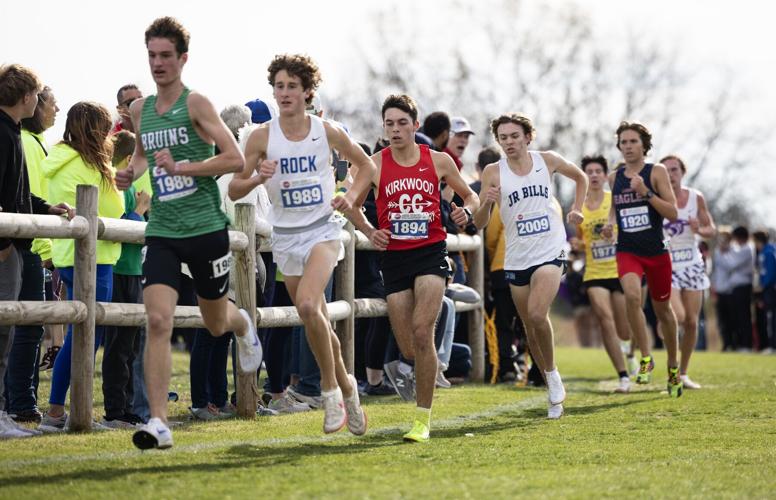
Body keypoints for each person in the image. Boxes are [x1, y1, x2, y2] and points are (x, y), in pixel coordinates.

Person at [115, 17, 262, 450]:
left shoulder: (197, 104)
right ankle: (158, 422)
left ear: (182, 59)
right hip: (162, 228)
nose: (158, 64)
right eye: (152, 56)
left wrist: (185, 168)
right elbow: (142, 156)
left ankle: (243, 324)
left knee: (216, 323)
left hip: (205, 228)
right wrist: (130, 173)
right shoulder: (140, 110)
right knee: (157, 320)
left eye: (165, 56)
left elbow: (234, 159)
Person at [229, 53, 376, 435]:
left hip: (323, 230)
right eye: (279, 86)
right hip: (287, 237)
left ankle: (330, 394)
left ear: (308, 91)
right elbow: (234, 186)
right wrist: (258, 177)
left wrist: (350, 194)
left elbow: (367, 167)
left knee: (310, 305)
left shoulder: (326, 131)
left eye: (292, 86)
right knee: (318, 319)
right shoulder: (261, 136)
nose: (284, 93)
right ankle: (349, 388)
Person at [346, 93, 479, 442]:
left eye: (402, 123)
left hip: (431, 253)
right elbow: (351, 204)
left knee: (423, 331)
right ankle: (418, 370)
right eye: (389, 123)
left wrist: (467, 210)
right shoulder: (374, 164)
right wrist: (370, 231)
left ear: (415, 125)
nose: (395, 129)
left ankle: (422, 420)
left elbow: (471, 196)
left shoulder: (438, 161)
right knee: (408, 348)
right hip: (394, 259)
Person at [474, 112, 587, 419]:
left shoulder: (546, 160)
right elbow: (478, 223)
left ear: (527, 136)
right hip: (517, 256)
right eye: (503, 138)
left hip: (550, 249)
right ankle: (551, 381)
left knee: (538, 314)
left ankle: (551, 377)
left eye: (514, 136)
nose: (509, 142)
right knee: (529, 327)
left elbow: (581, 177)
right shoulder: (492, 172)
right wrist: (486, 202)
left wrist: (577, 209)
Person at [37, 101, 126, 432]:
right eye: (105, 126)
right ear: (96, 129)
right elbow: (115, 208)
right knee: (85, 336)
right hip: (94, 257)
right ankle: (62, 411)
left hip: (72, 256)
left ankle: (66, 410)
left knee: (82, 333)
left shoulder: (61, 160)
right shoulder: (88, 165)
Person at [1, 63, 73, 439]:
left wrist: (47, 209)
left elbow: (18, 195)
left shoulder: (13, 133)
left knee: (15, 328)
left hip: (20, 243)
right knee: (10, 328)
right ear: (28, 97)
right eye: (44, 97)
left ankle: (10, 409)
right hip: (11, 247)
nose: (51, 106)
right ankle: (12, 407)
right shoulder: (7, 135)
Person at [602, 121, 682, 397]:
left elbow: (672, 213)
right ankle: (646, 359)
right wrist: (609, 225)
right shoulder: (615, 178)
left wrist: (645, 192)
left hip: (656, 252)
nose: (627, 147)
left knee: (664, 313)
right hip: (627, 250)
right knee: (633, 297)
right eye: (623, 142)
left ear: (644, 145)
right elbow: (614, 211)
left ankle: (674, 365)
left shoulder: (655, 171)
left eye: (633, 141)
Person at [6, 85, 60, 424]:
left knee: (27, 330)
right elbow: (19, 200)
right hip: (26, 248)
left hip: (31, 246)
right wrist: (44, 249)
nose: (56, 109)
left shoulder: (31, 141)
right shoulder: (23, 141)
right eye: (53, 103)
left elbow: (30, 197)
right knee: (23, 330)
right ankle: (20, 404)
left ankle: (21, 402)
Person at [101, 131, 150, 428]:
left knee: (129, 345)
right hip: (120, 270)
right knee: (118, 345)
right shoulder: (117, 186)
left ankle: (127, 406)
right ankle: (115, 409)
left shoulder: (129, 186)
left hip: (133, 271)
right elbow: (123, 227)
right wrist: (140, 211)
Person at [577, 155, 632, 393]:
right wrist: (578, 244)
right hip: (594, 272)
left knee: (623, 326)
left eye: (599, 171)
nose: (594, 175)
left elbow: (629, 231)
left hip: (619, 270)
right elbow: (579, 238)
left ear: (605, 174)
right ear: (584, 176)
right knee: (604, 320)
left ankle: (629, 352)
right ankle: (623, 376)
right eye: (589, 171)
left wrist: (615, 237)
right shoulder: (578, 205)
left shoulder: (614, 200)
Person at [661, 155, 716, 389]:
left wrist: (699, 228)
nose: (671, 174)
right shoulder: (657, 199)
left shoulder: (696, 197)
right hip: (668, 262)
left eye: (674, 169)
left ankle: (682, 374)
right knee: (679, 317)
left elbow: (711, 229)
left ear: (682, 172)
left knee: (693, 322)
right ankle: (665, 331)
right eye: (665, 170)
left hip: (692, 262)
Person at [753, 230, 776, 353]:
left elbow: (771, 273)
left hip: (770, 290)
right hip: (766, 290)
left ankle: (773, 346)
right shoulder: (763, 252)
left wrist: (763, 285)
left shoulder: (769, 252)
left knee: (771, 317)